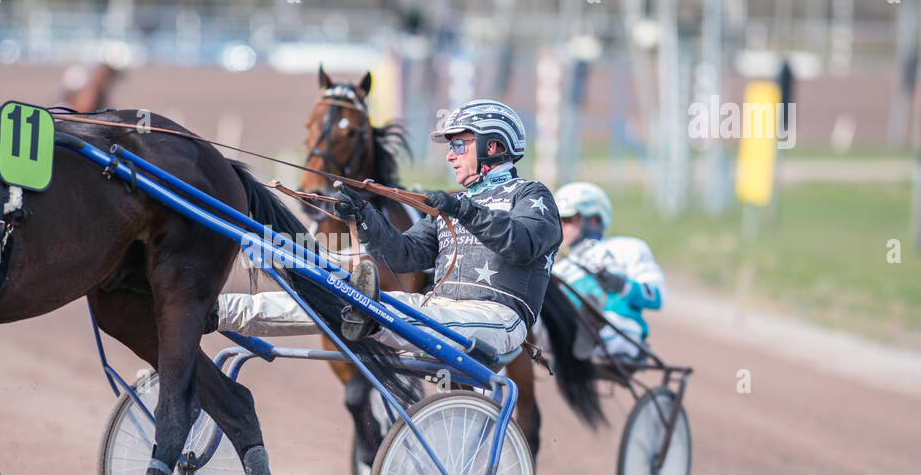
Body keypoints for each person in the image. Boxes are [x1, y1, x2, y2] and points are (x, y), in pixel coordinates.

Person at [212, 100, 561, 364]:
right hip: (436, 309)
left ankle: (368, 315)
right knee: (333, 295)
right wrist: (364, 216)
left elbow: (524, 245)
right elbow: (403, 255)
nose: (450, 157)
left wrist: (462, 209)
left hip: (495, 319)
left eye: (459, 145)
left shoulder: (530, 195)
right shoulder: (453, 207)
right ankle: (220, 311)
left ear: (493, 146)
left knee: (376, 307)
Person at [552, 181, 664, 360]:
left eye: (567, 219)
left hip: (620, 328)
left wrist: (621, 285)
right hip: (568, 328)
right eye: (558, 220)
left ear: (593, 219)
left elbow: (656, 297)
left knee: (610, 325)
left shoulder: (628, 249)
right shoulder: (557, 264)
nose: (561, 226)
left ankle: (590, 329)